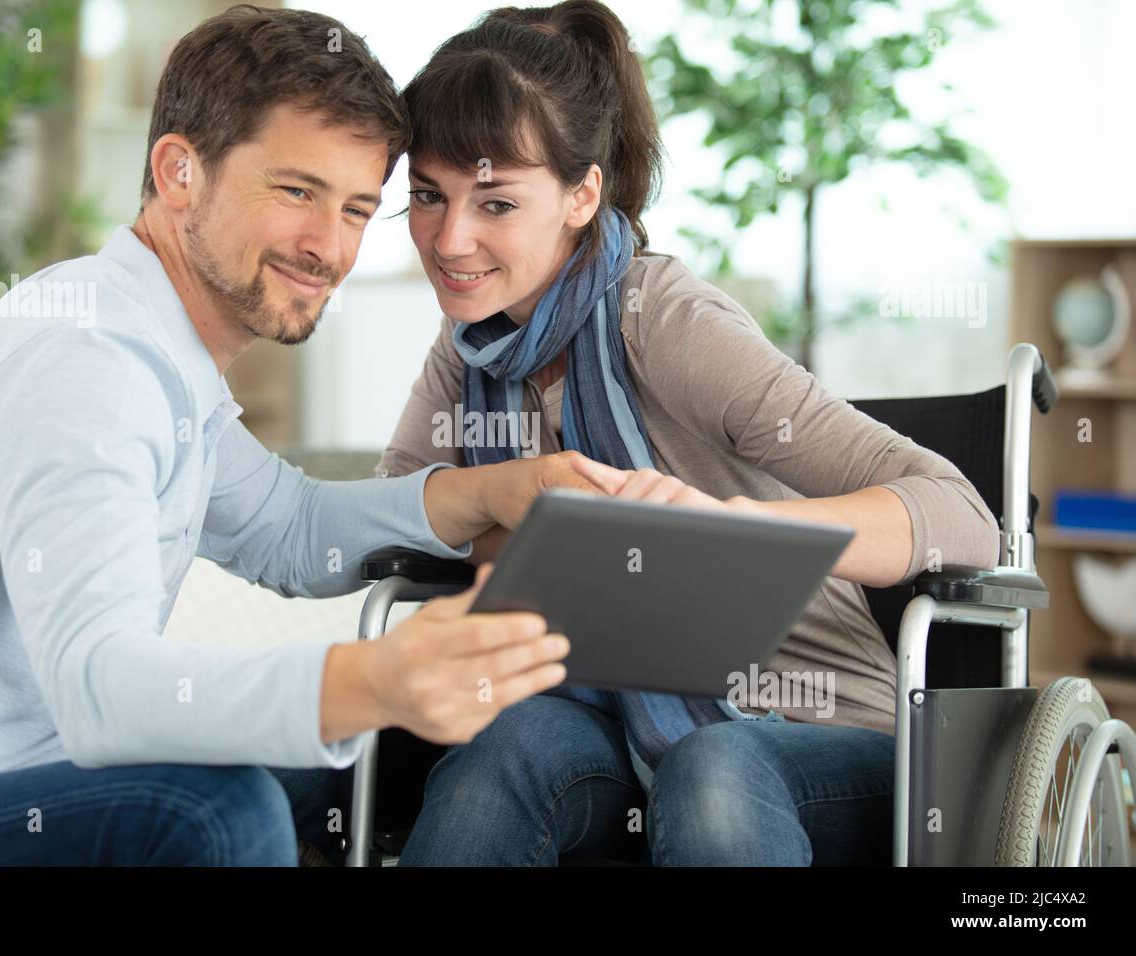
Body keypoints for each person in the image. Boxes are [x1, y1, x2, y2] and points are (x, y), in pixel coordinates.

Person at [0, 5, 588, 867]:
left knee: (375, 765)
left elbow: (287, 527)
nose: (327, 249)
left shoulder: (154, 350)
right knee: (217, 813)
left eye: (354, 208)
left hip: (30, 784)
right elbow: (98, 689)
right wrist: (370, 678)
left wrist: (488, 491)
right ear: (179, 171)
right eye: (297, 191)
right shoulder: (87, 361)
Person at [379, 0, 1001, 865]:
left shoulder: (660, 319)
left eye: (494, 203)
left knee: (712, 766)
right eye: (428, 198)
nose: (451, 240)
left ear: (581, 193)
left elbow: (963, 514)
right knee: (498, 754)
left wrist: (729, 538)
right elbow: (388, 524)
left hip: (810, 725)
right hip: (604, 712)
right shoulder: (471, 353)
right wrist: (503, 519)